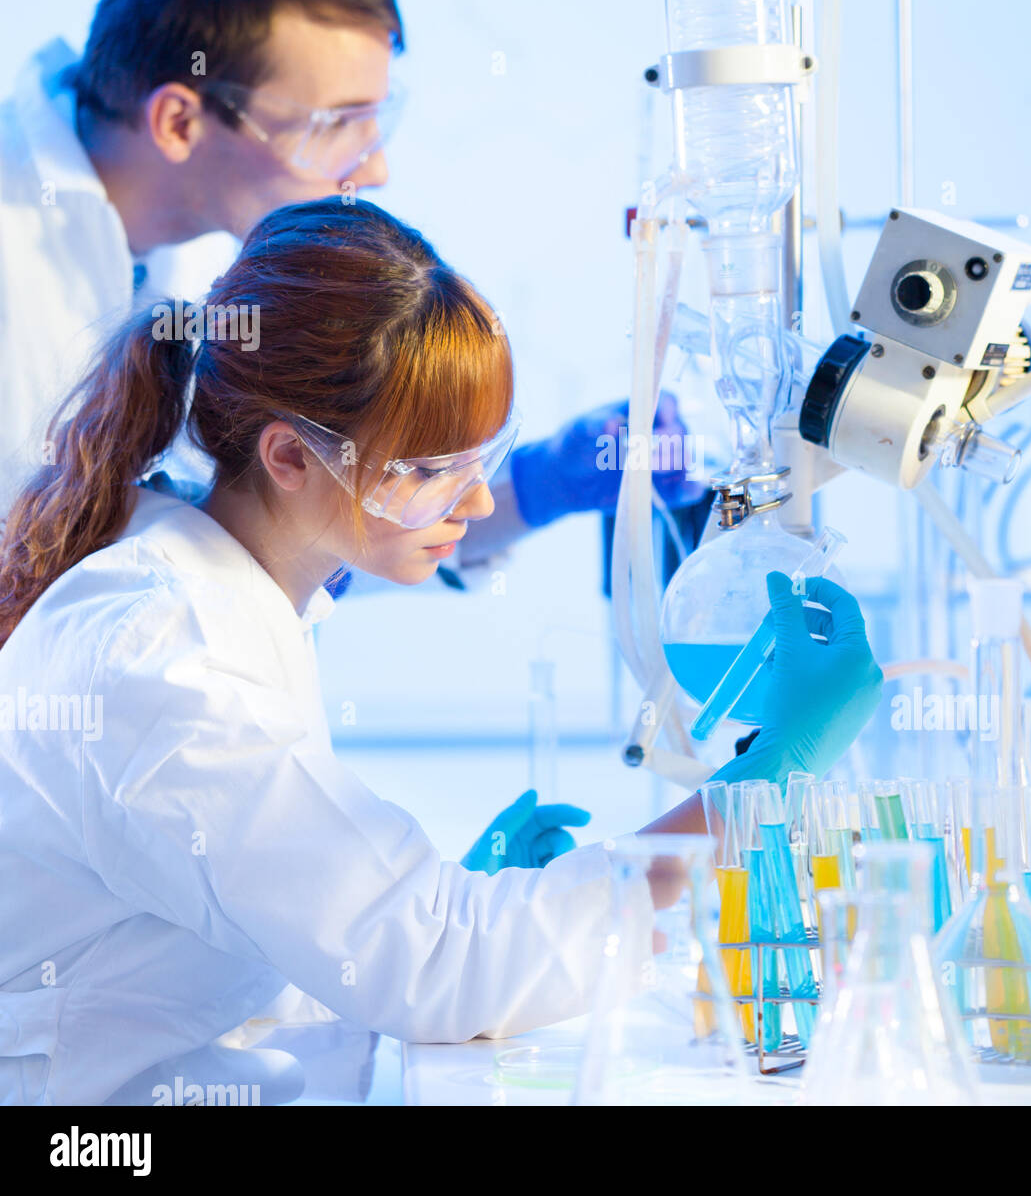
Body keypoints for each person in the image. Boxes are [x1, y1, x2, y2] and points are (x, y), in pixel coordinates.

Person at [0, 199, 881, 1105]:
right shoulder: (165, 657)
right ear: (290, 459)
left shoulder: (221, 591)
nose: (477, 502)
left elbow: (246, 948)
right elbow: (440, 967)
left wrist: (443, 903)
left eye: (480, 457)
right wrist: (759, 785)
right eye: (428, 472)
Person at [0, 0, 697, 544]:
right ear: (180, 122)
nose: (375, 171)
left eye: (377, 122)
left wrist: (536, 487)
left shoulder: (228, 235)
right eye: (335, 124)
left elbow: (288, 525)